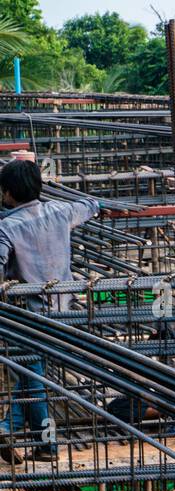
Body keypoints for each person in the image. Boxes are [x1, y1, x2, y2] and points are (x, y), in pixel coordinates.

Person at [0, 159, 99, 464]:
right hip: (61, 311)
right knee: (32, 376)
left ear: (6, 193)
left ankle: (37, 439)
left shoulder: (7, 227)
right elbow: (91, 204)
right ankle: (18, 432)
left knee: (33, 377)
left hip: (26, 316)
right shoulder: (60, 212)